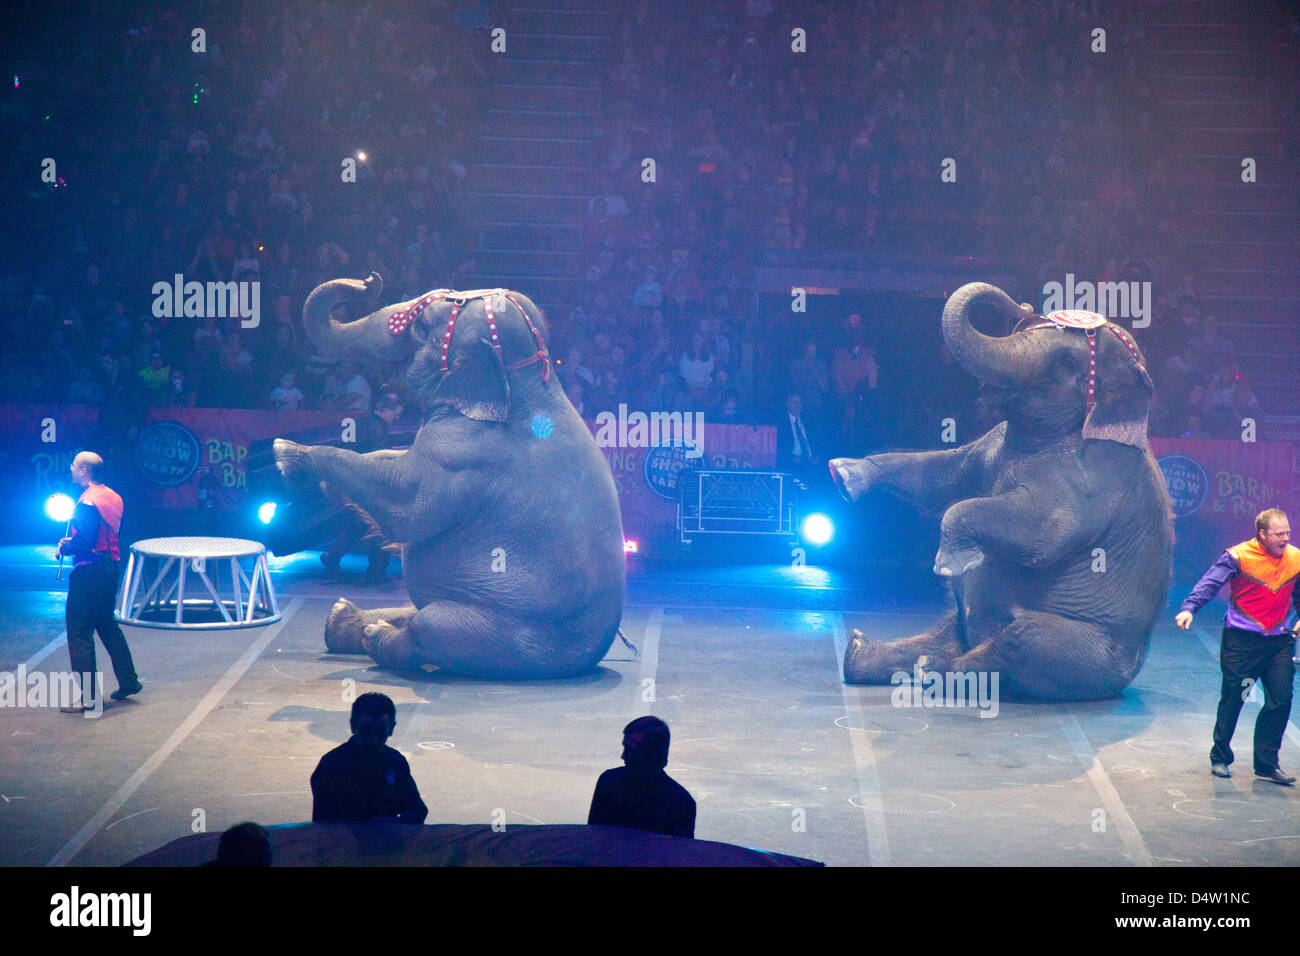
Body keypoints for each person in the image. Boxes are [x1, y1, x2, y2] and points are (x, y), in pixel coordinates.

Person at [1176, 508, 1300, 784]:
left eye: (1288, 533)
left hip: (1278, 641)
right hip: (1242, 641)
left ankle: (1267, 764)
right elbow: (1209, 583)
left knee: (1281, 700)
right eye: (1279, 534)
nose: (1285, 538)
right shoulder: (1238, 556)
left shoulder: (1295, 558)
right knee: (1234, 698)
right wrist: (1189, 608)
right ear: (1263, 534)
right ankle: (1220, 756)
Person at [56, 452, 142, 713]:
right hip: (110, 567)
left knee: (79, 632)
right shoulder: (113, 496)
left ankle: (90, 699)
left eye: (74, 465)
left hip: (89, 571)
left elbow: (86, 540)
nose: (70, 468)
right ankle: (128, 681)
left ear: (83, 471)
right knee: (106, 625)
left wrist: (66, 547)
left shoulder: (87, 502)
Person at [320, 390, 404, 582]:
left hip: (352, 483)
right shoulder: (378, 429)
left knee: (358, 526)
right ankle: (376, 567)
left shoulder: (362, 423)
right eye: (395, 414)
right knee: (379, 526)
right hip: (368, 487)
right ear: (384, 409)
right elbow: (378, 459)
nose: (397, 418)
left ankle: (334, 556)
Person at [310, 693, 428, 824]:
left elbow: (417, 810)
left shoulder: (396, 761)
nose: (373, 740)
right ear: (353, 726)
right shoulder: (331, 766)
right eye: (366, 732)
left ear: (391, 729)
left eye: (379, 732)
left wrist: (394, 823)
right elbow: (324, 825)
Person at [588, 715, 695, 838]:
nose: (623, 756)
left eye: (631, 751)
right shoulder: (607, 782)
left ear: (652, 755)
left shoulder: (682, 804)